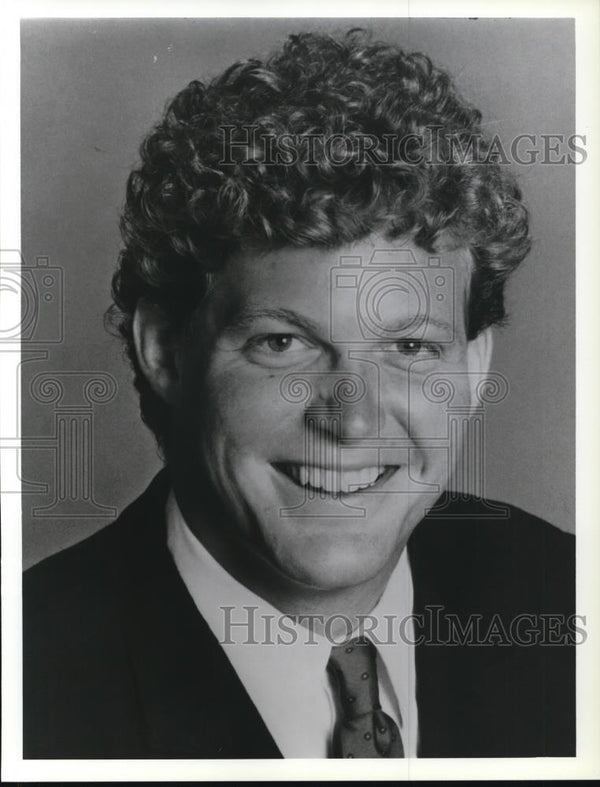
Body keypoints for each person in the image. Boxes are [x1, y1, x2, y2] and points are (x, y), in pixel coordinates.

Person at [23, 29, 575, 759]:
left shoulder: (563, 598)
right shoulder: (32, 678)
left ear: (474, 365)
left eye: (409, 347)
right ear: (165, 350)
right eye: (283, 343)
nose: (350, 421)